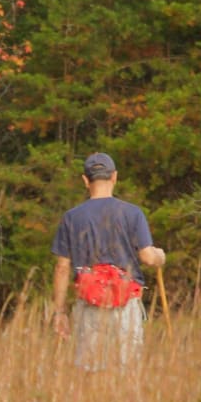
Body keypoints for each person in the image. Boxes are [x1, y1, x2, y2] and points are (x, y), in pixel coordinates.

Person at [50, 153, 166, 370]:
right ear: (114, 177)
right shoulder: (133, 213)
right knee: (127, 372)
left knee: (91, 373)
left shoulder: (71, 217)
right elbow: (148, 257)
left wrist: (59, 312)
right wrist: (161, 256)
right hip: (126, 304)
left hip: (88, 305)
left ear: (85, 180)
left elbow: (62, 267)